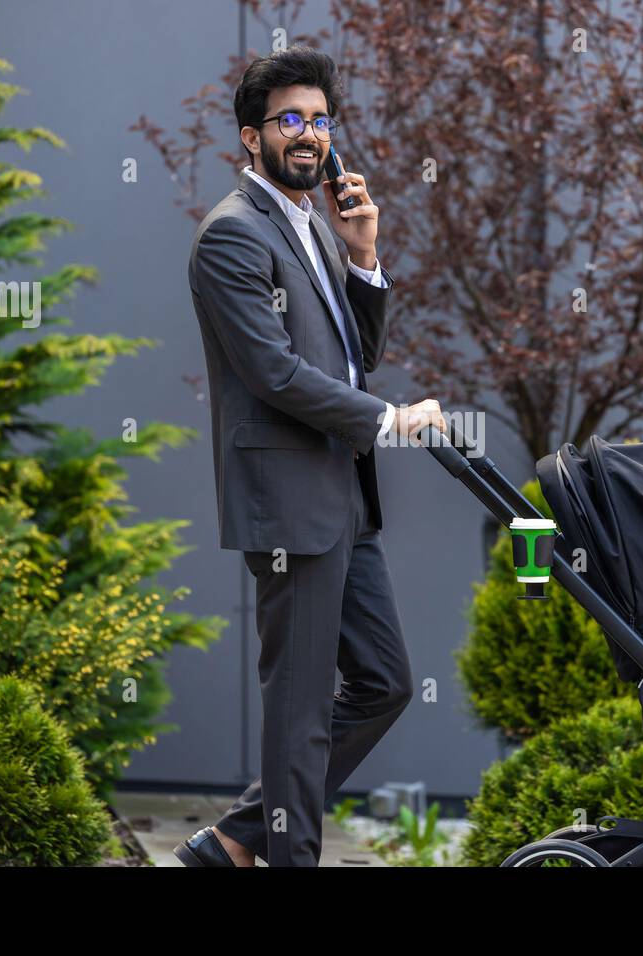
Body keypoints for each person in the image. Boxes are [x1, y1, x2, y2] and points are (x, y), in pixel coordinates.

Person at [179, 44, 447, 866]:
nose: (309, 134)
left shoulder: (314, 227)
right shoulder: (232, 237)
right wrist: (389, 420)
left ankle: (233, 840)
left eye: (320, 120)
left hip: (343, 501)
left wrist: (362, 250)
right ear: (249, 138)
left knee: (385, 683)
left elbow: (350, 353)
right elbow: (274, 372)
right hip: (292, 504)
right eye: (290, 119)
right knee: (298, 711)